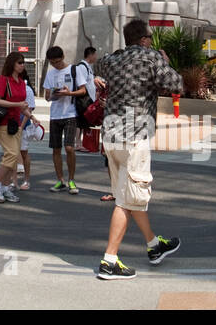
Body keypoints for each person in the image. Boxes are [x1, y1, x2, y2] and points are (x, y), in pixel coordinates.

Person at [94, 19, 183, 280]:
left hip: (111, 134)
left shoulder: (112, 60)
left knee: (128, 193)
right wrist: (163, 61)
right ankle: (110, 260)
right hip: (135, 135)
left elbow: (98, 67)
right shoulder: (150, 57)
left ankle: (154, 245)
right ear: (144, 40)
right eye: (150, 39)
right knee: (127, 199)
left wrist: (100, 79)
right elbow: (177, 84)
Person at [0, 52, 30, 204]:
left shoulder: (20, 82)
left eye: (23, 62)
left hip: (16, 123)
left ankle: (5, 187)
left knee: (12, 156)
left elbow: (22, 105)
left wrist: (31, 116)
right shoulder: (4, 80)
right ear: (12, 63)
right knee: (12, 153)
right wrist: (17, 105)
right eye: (19, 62)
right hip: (4, 122)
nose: (22, 65)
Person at [42, 46, 81, 194]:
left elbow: (83, 90)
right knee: (56, 148)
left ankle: (72, 180)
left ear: (63, 57)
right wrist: (54, 94)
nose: (56, 65)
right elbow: (46, 96)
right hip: (55, 114)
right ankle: (60, 180)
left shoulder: (73, 70)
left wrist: (69, 92)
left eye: (57, 62)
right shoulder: (50, 73)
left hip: (70, 113)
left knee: (69, 147)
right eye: (52, 63)